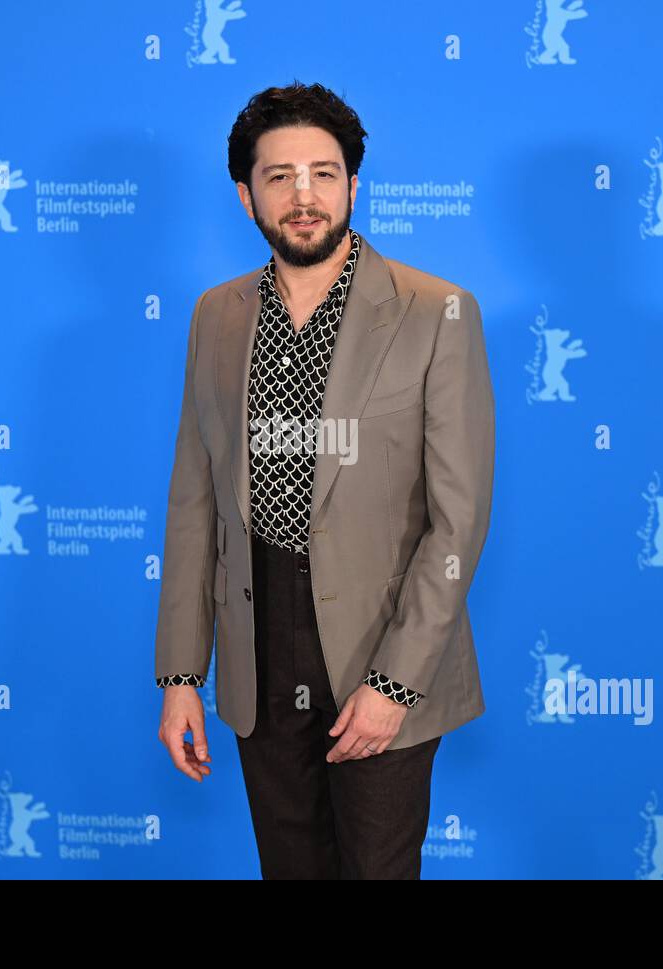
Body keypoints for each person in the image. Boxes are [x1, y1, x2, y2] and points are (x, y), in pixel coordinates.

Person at [154, 81, 495, 879]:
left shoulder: (435, 311)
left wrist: (393, 683)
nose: (303, 196)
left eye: (324, 173)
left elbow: (459, 519)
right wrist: (180, 676)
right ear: (246, 197)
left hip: (383, 637)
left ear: (352, 185)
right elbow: (192, 504)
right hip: (257, 645)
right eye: (279, 177)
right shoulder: (216, 315)